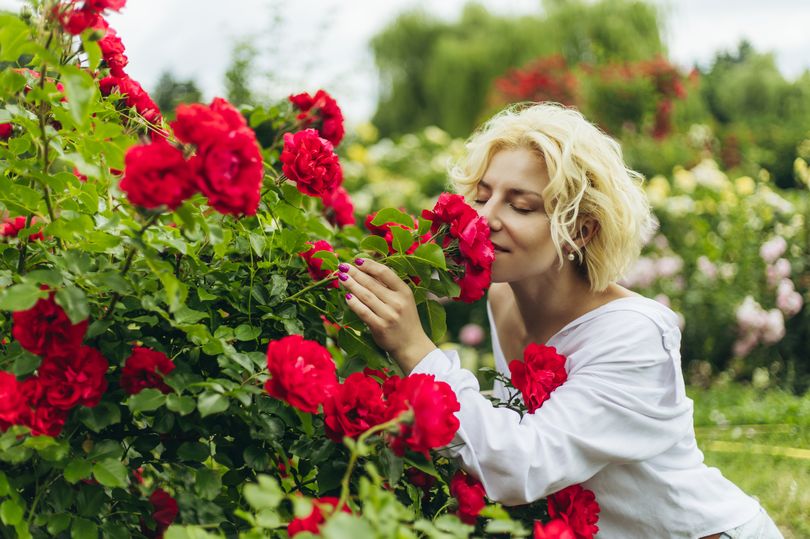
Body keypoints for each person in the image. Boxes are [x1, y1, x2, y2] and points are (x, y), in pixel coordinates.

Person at [336, 103, 782, 538]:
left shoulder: (634, 335)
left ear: (580, 229)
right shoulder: (502, 298)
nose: (485, 218)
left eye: (522, 206)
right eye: (483, 195)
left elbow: (523, 464)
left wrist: (416, 349)